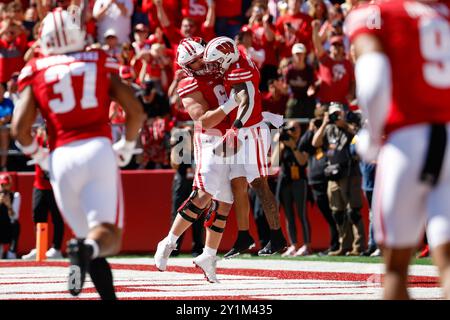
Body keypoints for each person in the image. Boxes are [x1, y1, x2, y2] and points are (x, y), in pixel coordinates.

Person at [11, 9, 145, 300]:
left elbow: (19, 129)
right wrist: (127, 144)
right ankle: (82, 251)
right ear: (78, 34)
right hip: (97, 149)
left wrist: (40, 156)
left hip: (61, 158)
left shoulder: (36, 68)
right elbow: (135, 111)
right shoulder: (98, 59)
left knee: (88, 239)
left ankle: (89, 266)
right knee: (107, 237)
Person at [346, 0, 450, 299]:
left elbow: (375, 79)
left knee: (395, 270)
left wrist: (372, 134)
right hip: (448, 133)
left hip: (407, 140)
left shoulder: (375, 13)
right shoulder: (442, 12)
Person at [154, 37, 241, 283]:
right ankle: (169, 241)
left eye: (202, 57)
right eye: (194, 62)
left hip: (233, 138)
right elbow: (204, 120)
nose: (202, 64)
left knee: (225, 202)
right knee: (203, 194)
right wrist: (232, 103)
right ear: (186, 67)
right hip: (210, 140)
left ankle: (209, 256)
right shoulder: (188, 84)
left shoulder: (223, 68)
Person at [204, 36, 287, 256]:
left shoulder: (237, 70)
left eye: (217, 61)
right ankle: (243, 236)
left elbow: (247, 100)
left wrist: (237, 127)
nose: (215, 66)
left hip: (252, 131)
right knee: (237, 183)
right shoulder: (237, 57)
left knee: (260, 184)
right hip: (244, 131)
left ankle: (277, 238)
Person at [312, 102, 365, 256]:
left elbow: (359, 139)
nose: (336, 117)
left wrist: (345, 125)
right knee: (338, 213)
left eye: (338, 114)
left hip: (349, 174)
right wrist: (324, 123)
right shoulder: (328, 129)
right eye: (333, 114)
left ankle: (358, 246)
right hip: (332, 174)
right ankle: (344, 245)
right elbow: (315, 142)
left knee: (353, 211)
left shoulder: (350, 128)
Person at [22, 125, 65, 260]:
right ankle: (39, 246)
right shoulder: (38, 139)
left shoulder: (59, 142)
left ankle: (56, 248)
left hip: (55, 186)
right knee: (38, 216)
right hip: (39, 185)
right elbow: (27, 151)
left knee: (57, 217)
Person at [299, 113, 339, 254]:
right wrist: (311, 129)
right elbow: (302, 145)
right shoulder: (313, 137)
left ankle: (336, 245)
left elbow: (326, 145)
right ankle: (335, 245)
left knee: (334, 214)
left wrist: (324, 125)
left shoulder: (329, 135)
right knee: (329, 215)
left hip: (327, 180)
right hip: (316, 182)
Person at [272, 120, 311, 256]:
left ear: (299, 129)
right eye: (290, 129)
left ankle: (306, 245)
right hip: (285, 181)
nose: (292, 131)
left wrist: (293, 146)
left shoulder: (303, 141)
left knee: (301, 214)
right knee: (288, 215)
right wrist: (278, 143)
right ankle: (293, 244)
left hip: (299, 181)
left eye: (294, 128)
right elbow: (274, 161)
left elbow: (302, 161)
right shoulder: (283, 142)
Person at [0, 173, 20, 259]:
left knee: (16, 224)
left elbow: (15, 217)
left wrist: (9, 206)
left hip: (8, 228)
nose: (4, 187)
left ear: (10, 184)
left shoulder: (15, 196)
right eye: (2, 185)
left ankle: (12, 251)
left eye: (6, 184)